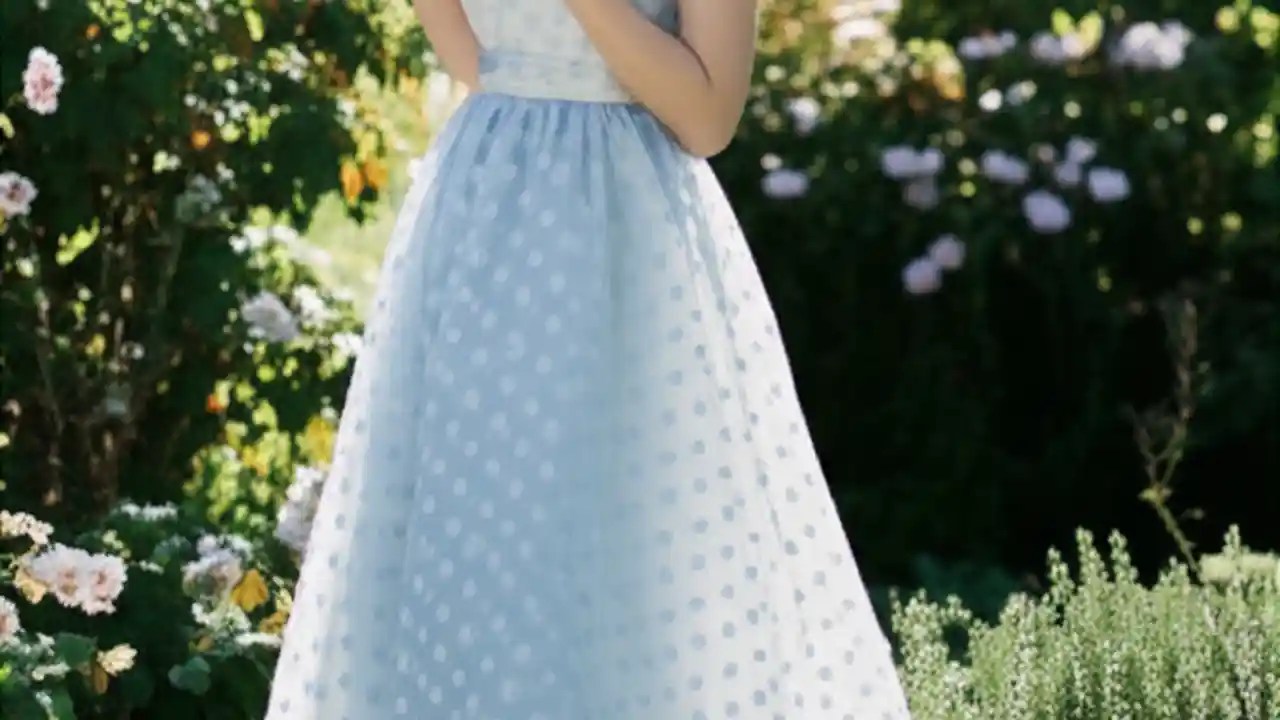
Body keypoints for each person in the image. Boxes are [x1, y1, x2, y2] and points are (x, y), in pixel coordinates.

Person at [265, 1, 912, 718]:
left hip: (625, 239)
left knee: (629, 535)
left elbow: (707, 117)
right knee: (485, 522)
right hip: (488, 228)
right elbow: (480, 62)